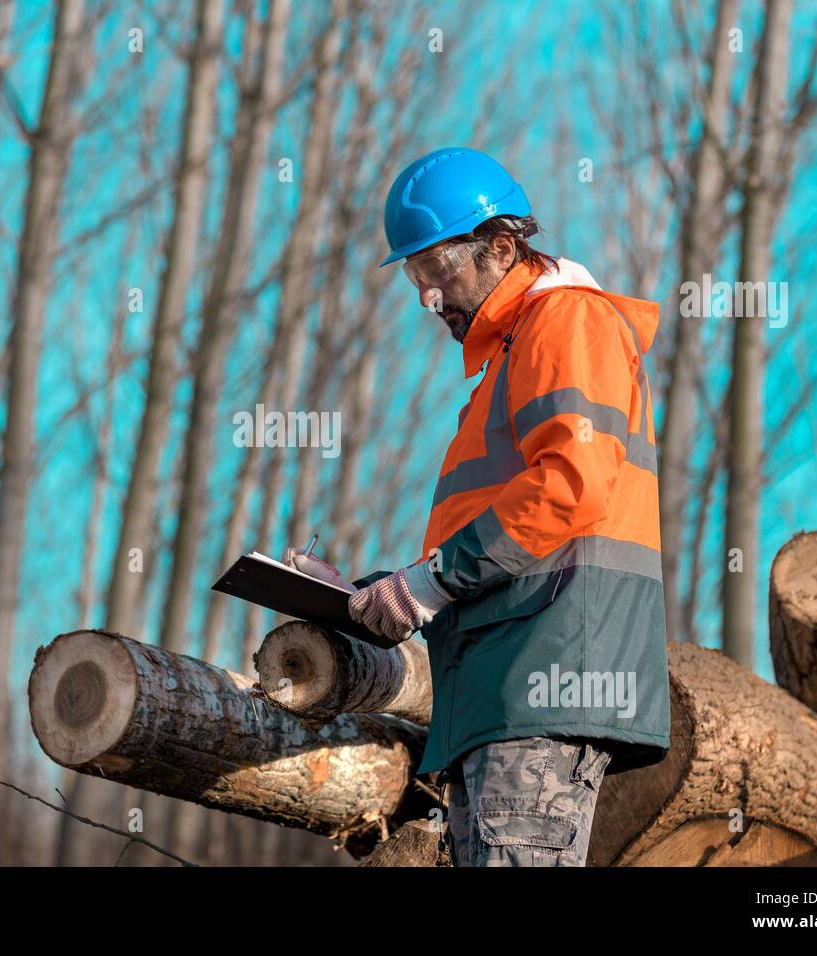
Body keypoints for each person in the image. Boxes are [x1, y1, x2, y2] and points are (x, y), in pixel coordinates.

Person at [285, 147, 670, 866]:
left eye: (438, 273)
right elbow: (503, 534)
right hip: (509, 696)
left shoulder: (567, 325)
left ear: (501, 247)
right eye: (415, 278)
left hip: (542, 688)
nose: (429, 298)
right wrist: (394, 586)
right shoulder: (515, 354)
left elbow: (571, 484)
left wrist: (428, 584)